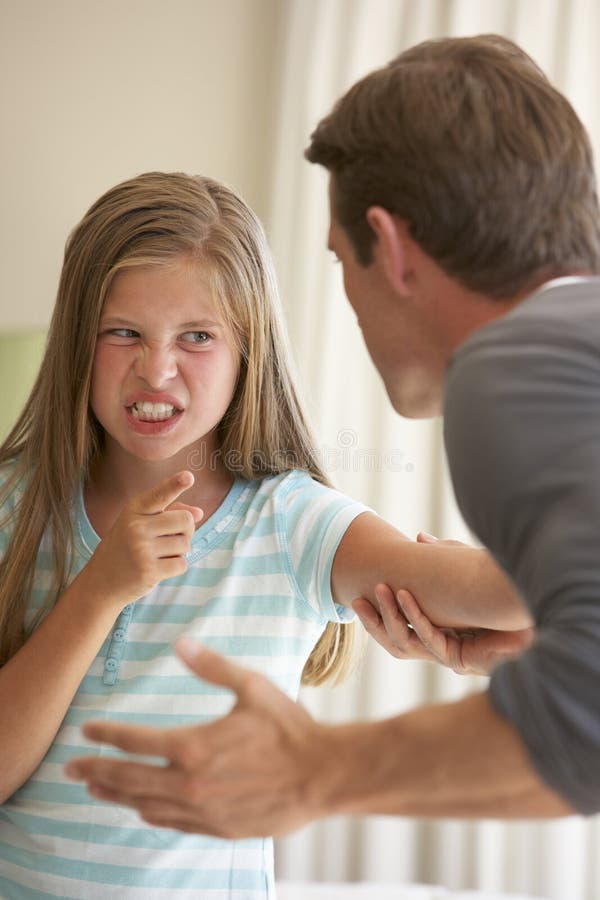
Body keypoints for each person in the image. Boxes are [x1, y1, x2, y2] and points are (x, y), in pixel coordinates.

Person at [64, 30, 600, 837]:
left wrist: (310, 772)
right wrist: (552, 615)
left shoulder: (518, 372)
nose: (158, 367)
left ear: (387, 247)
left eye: (341, 260)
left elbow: (583, 724)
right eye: (124, 334)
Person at [0, 170, 529, 898]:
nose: (156, 369)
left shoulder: (288, 520)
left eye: (197, 336)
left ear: (248, 352)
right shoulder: (16, 506)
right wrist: (98, 593)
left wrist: (549, 596)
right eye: (123, 332)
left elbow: (454, 585)